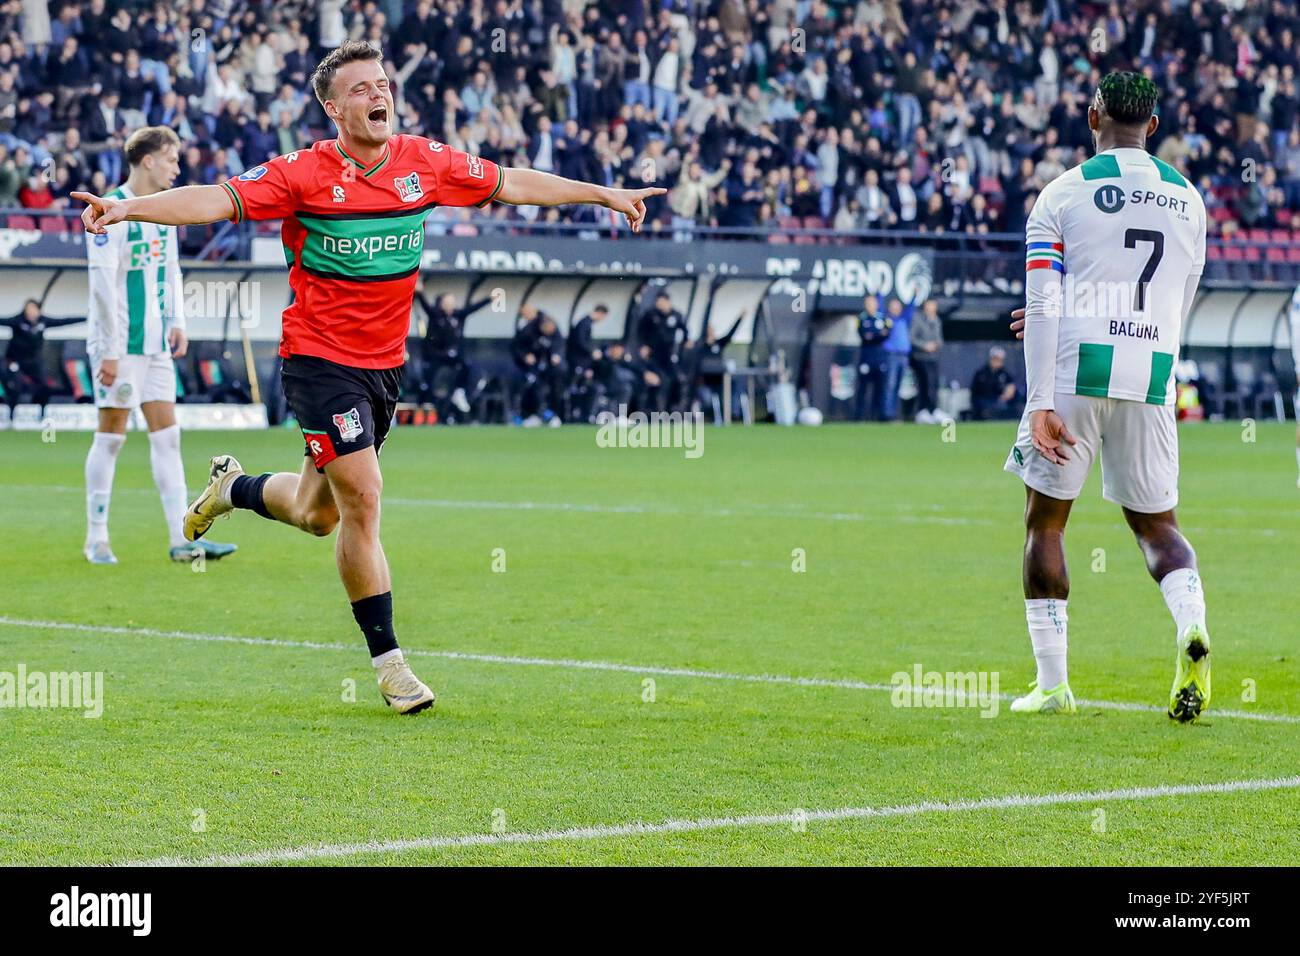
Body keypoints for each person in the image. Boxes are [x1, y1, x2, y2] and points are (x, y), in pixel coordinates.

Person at [74, 41, 663, 714]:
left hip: (385, 365)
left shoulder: (426, 162)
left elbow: (514, 182)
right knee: (366, 495)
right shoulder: (302, 173)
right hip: (319, 360)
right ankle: (391, 666)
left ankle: (230, 487)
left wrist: (602, 194)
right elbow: (216, 198)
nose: (378, 94)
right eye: (359, 88)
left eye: (382, 84)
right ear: (332, 107)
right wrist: (129, 208)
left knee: (318, 513)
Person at [1004, 72, 1211, 721]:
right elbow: (1180, 304)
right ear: (1153, 126)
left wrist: (1041, 397)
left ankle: (1054, 683)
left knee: (1046, 522)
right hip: (1151, 375)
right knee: (1158, 527)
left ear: (1092, 115)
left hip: (1074, 374)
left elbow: (1044, 298)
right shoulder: (1190, 200)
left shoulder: (1062, 195)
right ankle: (1192, 625)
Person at [81, 126, 236, 566]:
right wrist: (109, 349)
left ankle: (182, 537)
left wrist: (177, 321)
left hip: (154, 344)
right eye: (171, 159)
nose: (178, 167)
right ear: (148, 161)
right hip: (120, 345)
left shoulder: (161, 211)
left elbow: (171, 270)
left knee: (168, 437)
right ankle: (97, 539)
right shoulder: (107, 210)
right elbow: (102, 286)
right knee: (111, 438)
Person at [415, 289, 489, 418]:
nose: (450, 305)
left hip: (453, 356)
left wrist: (489, 299)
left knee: (468, 368)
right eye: (447, 302)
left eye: (452, 302)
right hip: (436, 356)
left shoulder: (457, 315)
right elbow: (425, 305)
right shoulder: (435, 315)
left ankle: (459, 392)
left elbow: (472, 309)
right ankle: (421, 405)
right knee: (429, 379)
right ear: (442, 304)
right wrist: (420, 292)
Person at [1, 299, 85, 406]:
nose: (31, 312)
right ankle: (11, 415)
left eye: (34, 309)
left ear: (38, 310)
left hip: (34, 363)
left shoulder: (43, 321)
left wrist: (85, 318)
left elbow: (64, 321)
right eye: (29, 309)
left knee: (45, 387)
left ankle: (37, 409)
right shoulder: (17, 321)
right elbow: (2, 321)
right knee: (16, 387)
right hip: (16, 362)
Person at [511, 305, 566, 426]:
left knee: (556, 381)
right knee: (530, 385)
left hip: (544, 367)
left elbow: (558, 344)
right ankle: (528, 415)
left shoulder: (554, 330)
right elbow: (516, 348)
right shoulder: (528, 330)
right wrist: (525, 356)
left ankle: (549, 414)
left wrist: (556, 355)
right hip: (525, 367)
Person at [689, 313, 745, 423]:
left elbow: (731, 334)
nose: (711, 332)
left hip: (721, 381)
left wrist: (740, 318)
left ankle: (734, 413)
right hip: (706, 382)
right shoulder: (700, 346)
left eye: (712, 330)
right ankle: (702, 418)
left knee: (738, 382)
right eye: (708, 330)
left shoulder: (719, 343)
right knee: (706, 398)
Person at [637, 292, 688, 410]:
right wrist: (643, 346)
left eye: (661, 302)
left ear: (667, 301)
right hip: (653, 355)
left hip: (668, 355)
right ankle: (652, 411)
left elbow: (684, 330)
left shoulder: (676, 315)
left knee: (677, 380)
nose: (659, 304)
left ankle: (672, 409)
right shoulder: (651, 314)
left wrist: (686, 341)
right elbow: (641, 332)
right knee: (657, 381)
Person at [566, 304, 608, 422]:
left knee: (582, 388)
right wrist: (592, 351)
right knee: (575, 388)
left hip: (581, 363)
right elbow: (580, 342)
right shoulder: (584, 323)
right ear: (600, 313)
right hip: (577, 363)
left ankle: (581, 415)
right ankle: (572, 415)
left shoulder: (586, 323)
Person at [853, 294, 892, 421]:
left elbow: (886, 334)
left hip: (880, 357)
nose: (870, 305)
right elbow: (863, 335)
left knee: (880, 388)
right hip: (866, 357)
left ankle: (878, 415)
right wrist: (877, 335)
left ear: (876, 304)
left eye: (872, 303)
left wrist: (874, 336)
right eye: (868, 303)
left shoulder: (883, 318)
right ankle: (859, 416)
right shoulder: (861, 318)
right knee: (862, 387)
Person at [880, 295, 917, 421]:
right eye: (893, 307)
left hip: (904, 356)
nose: (895, 309)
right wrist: (879, 293)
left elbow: (911, 309)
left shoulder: (903, 320)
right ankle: (887, 414)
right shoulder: (887, 320)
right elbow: (880, 307)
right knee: (890, 385)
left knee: (897, 386)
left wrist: (914, 295)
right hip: (892, 355)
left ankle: (894, 413)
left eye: (898, 307)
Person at [909, 298, 946, 423]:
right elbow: (912, 338)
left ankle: (933, 409)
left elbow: (940, 339)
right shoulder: (917, 318)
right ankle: (922, 410)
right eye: (929, 305)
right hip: (920, 357)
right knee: (924, 383)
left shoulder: (936, 320)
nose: (931, 308)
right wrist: (925, 345)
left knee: (934, 384)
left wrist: (936, 345)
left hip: (933, 357)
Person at [969, 346, 1021, 420]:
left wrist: (1005, 396)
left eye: (1000, 360)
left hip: (1000, 402)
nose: (997, 362)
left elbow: (1011, 388)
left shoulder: (1005, 374)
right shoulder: (981, 373)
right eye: (996, 359)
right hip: (983, 402)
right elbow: (974, 392)